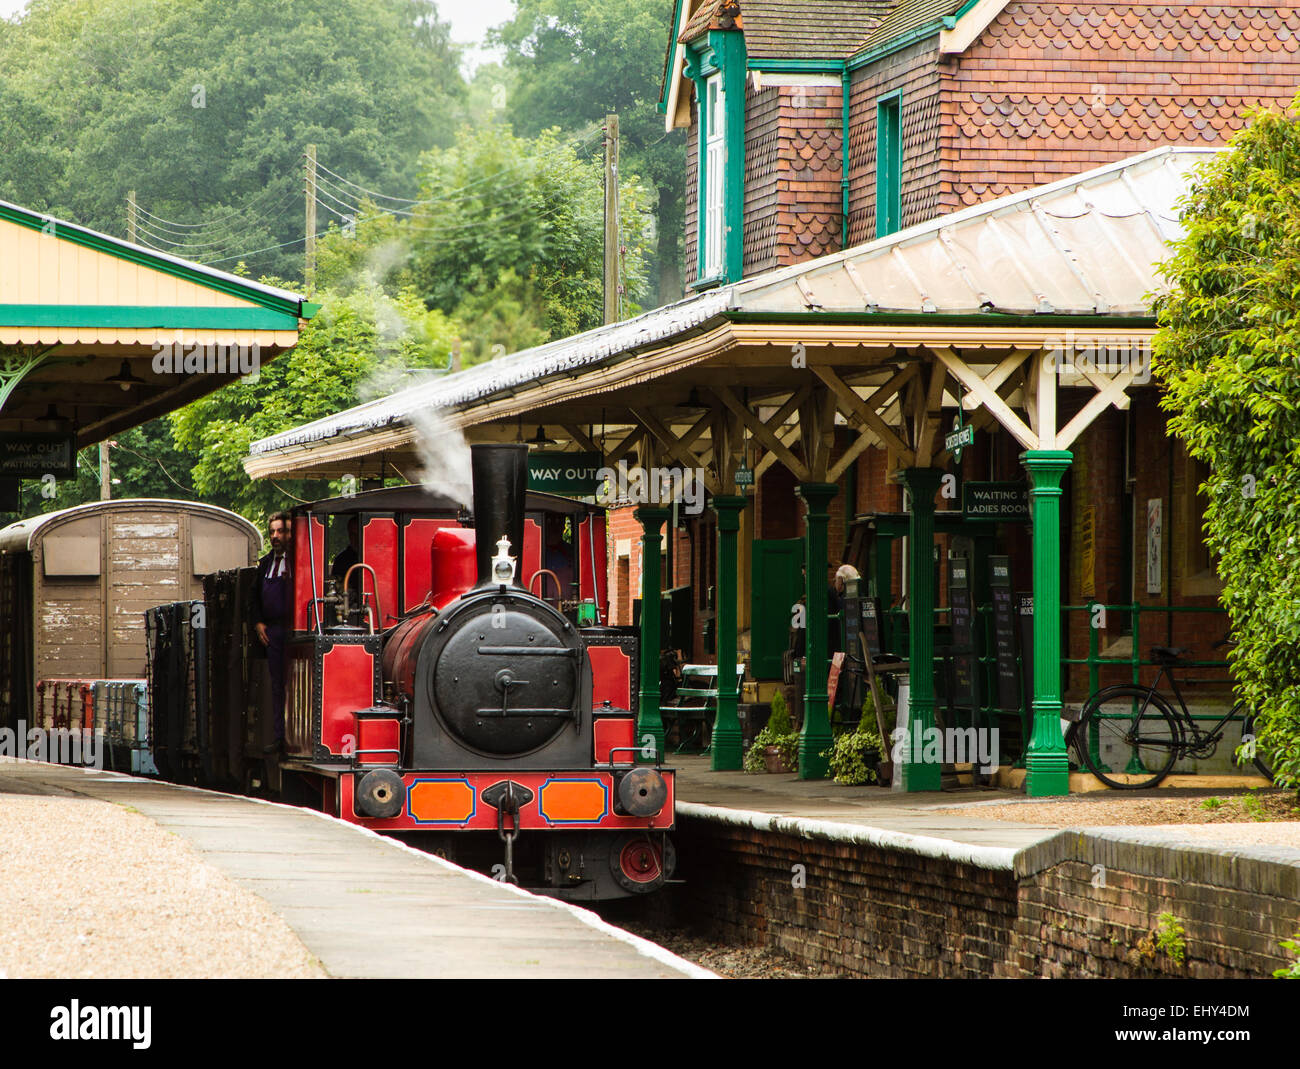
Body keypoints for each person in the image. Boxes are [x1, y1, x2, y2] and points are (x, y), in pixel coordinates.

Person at [252, 510, 294, 750]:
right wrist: (258, 622)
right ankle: (280, 736)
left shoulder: (299, 561)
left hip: (293, 629)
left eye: (281, 531)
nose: (276, 536)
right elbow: (254, 596)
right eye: (272, 532)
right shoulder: (266, 563)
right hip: (272, 631)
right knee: (277, 685)